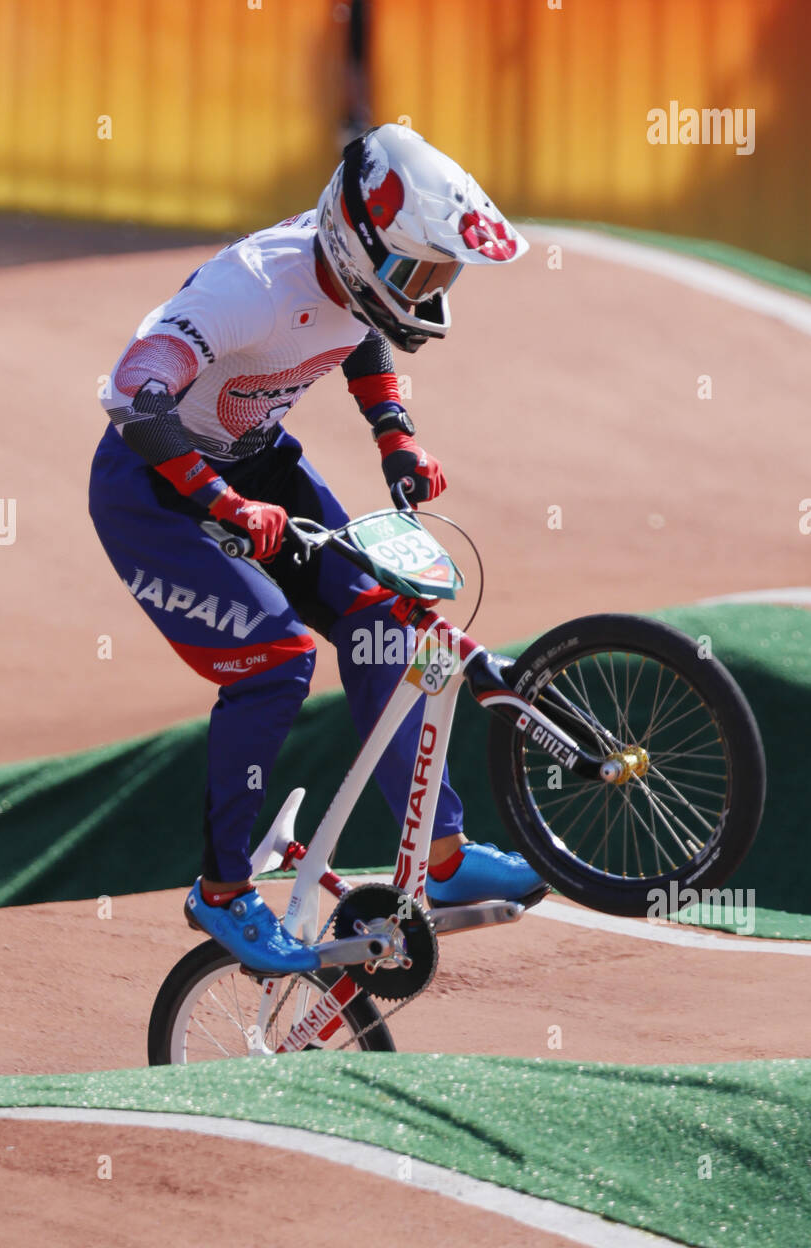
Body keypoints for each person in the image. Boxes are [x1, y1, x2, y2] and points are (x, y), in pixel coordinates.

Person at [89, 123, 544, 975]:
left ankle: (439, 861)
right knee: (275, 661)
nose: (434, 288)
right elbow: (131, 395)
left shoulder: (347, 274)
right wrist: (221, 502)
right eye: (422, 269)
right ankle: (221, 893)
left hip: (256, 465)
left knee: (383, 621)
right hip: (152, 493)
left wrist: (394, 433)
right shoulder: (252, 287)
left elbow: (356, 332)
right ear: (360, 243)